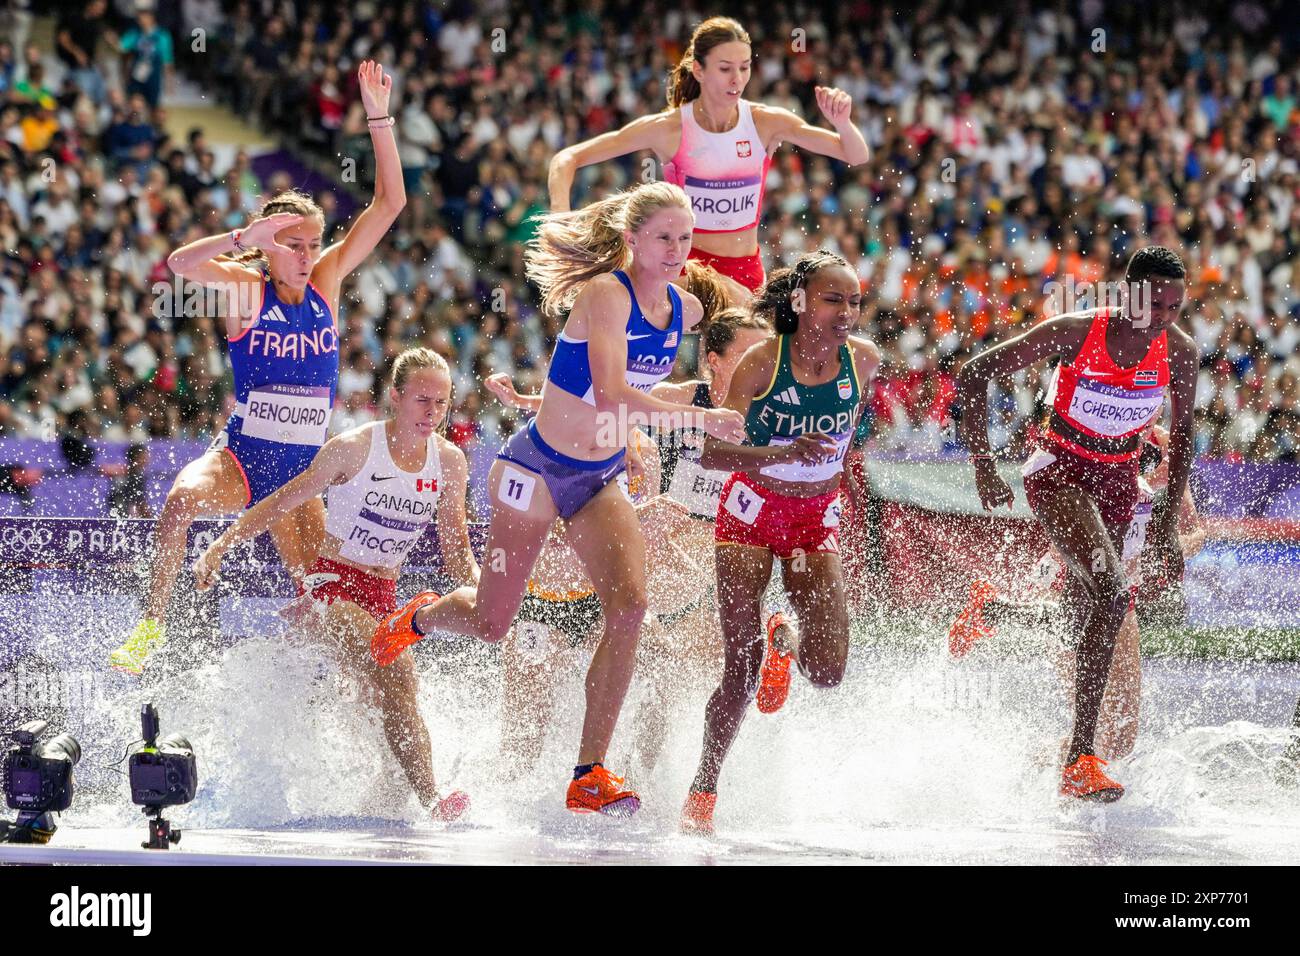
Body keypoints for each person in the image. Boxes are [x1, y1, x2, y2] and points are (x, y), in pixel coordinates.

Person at [371, 181, 747, 817]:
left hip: (598, 477)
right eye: (664, 237)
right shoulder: (606, 294)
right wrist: (700, 422)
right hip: (537, 472)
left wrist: (719, 393)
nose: (677, 249)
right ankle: (419, 618)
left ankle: (589, 773)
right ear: (631, 240)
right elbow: (610, 394)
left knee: (630, 609)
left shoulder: (683, 309)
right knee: (493, 625)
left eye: (685, 238)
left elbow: (682, 370)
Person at [109, 61, 406, 674]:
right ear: (269, 249)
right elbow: (180, 264)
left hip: (304, 472)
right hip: (245, 458)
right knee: (178, 504)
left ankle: (328, 702)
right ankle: (151, 627)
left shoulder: (326, 280)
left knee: (320, 604)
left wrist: (378, 115)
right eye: (291, 245)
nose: (305, 255)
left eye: (311, 243)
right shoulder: (247, 289)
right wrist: (245, 234)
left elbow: (391, 202)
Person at [955, 246, 1199, 801]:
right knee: (1113, 597)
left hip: (1117, 481)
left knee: (1082, 614)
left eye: (1173, 307)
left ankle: (993, 610)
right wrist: (983, 465)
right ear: (1128, 294)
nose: (1161, 317)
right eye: (1152, 304)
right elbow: (975, 372)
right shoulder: (1077, 330)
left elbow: (1183, 439)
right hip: (1059, 469)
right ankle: (1079, 759)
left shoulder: (1180, 353)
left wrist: (1165, 517)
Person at [193, 348, 475, 822]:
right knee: (396, 666)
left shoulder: (449, 463)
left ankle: (387, 805)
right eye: (422, 400)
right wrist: (222, 542)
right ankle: (434, 802)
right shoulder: (354, 448)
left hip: (383, 595)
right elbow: (283, 500)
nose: (433, 413)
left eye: (442, 403)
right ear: (396, 397)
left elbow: (458, 551)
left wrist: (493, 598)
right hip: (332, 586)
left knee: (391, 703)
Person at [680, 250, 880, 835]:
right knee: (738, 670)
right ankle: (703, 788)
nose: (846, 312)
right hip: (750, 512)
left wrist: (819, 473)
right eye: (832, 298)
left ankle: (784, 637)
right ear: (799, 301)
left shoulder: (862, 361)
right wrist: (783, 454)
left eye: (854, 301)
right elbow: (714, 452)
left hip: (814, 520)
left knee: (828, 672)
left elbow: (842, 446)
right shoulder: (762, 365)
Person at [547, 16, 869, 295]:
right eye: (725, 68)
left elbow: (855, 155)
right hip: (688, 272)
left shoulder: (765, 123)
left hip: (747, 270)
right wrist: (560, 222)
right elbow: (567, 159)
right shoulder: (669, 129)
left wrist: (842, 122)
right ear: (698, 70)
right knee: (741, 316)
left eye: (745, 68)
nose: (737, 79)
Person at [948, 426, 1205, 760]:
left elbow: (1196, 532)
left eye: (1151, 396)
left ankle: (1027, 766)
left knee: (1119, 740)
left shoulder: (1163, 444)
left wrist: (1167, 550)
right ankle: (1043, 780)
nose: (1141, 402)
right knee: (1099, 735)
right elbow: (1063, 503)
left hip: (1119, 591)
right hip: (1076, 576)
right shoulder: (1094, 428)